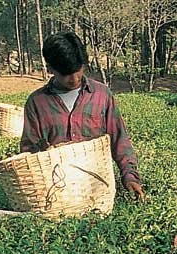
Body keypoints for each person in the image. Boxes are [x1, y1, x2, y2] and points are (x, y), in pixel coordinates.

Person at [21, 32, 145, 200]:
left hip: (99, 190)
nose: (74, 78)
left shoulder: (101, 95)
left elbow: (119, 139)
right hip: (58, 195)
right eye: (66, 73)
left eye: (78, 70)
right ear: (50, 68)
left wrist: (130, 177)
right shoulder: (37, 103)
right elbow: (29, 154)